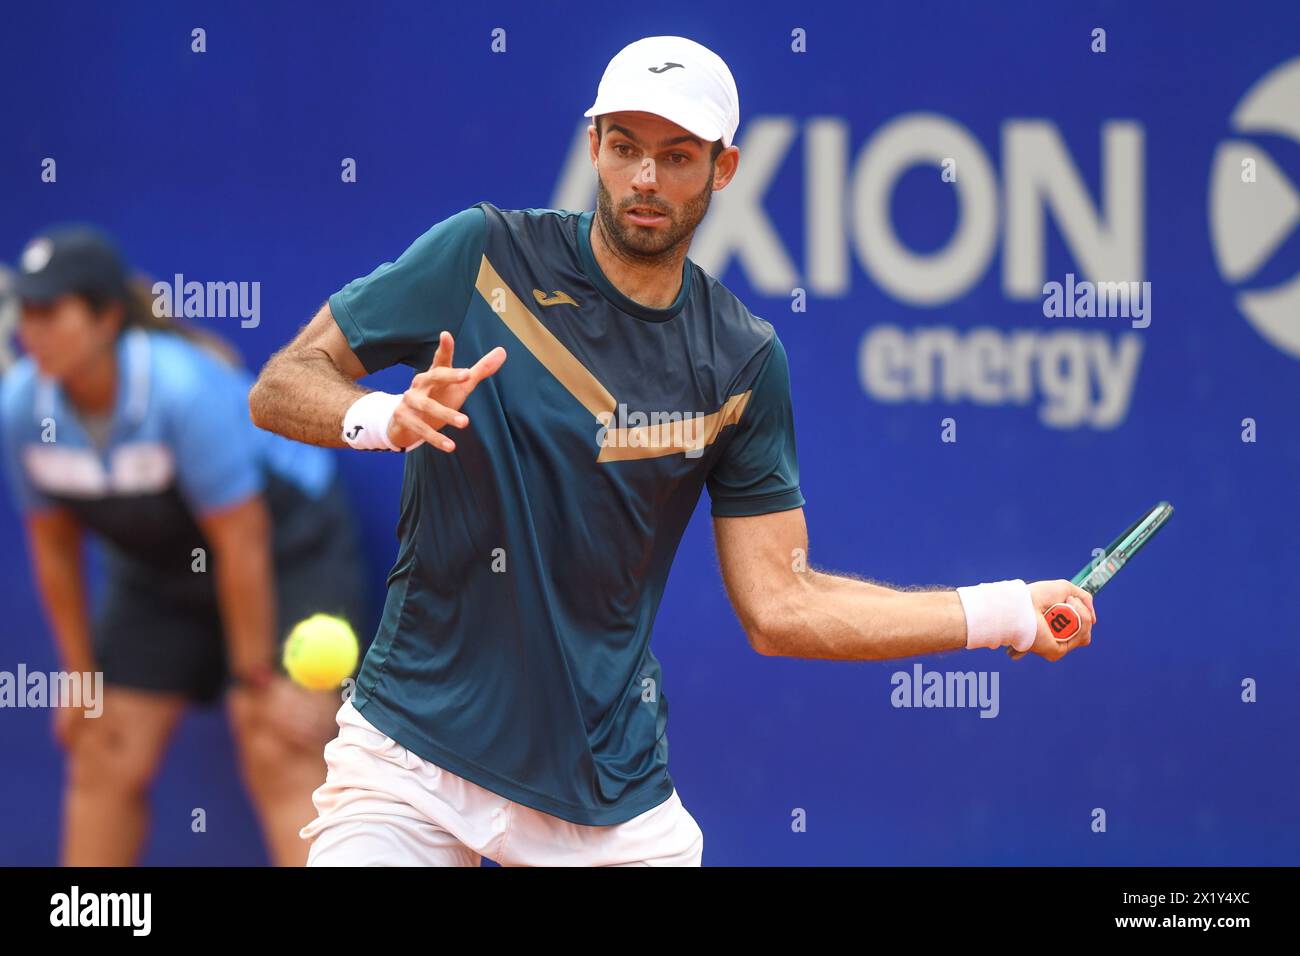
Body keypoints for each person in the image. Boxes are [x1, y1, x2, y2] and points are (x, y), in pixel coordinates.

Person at [248, 35, 1096, 867]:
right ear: (594, 147)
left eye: (677, 156)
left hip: (605, 795)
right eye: (625, 148)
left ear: (724, 169)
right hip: (410, 758)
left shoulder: (741, 361)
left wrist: (1006, 610)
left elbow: (782, 605)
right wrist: (383, 417)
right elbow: (283, 383)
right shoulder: (482, 255)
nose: (644, 179)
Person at [1, 225, 367, 866]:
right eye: (25, 310)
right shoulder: (22, 409)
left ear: (106, 316)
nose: (32, 329)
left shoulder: (181, 390)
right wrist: (80, 676)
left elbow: (243, 542)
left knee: (273, 742)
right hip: (160, 574)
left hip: (286, 553)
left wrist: (255, 680)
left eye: (51, 310)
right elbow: (53, 549)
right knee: (101, 745)